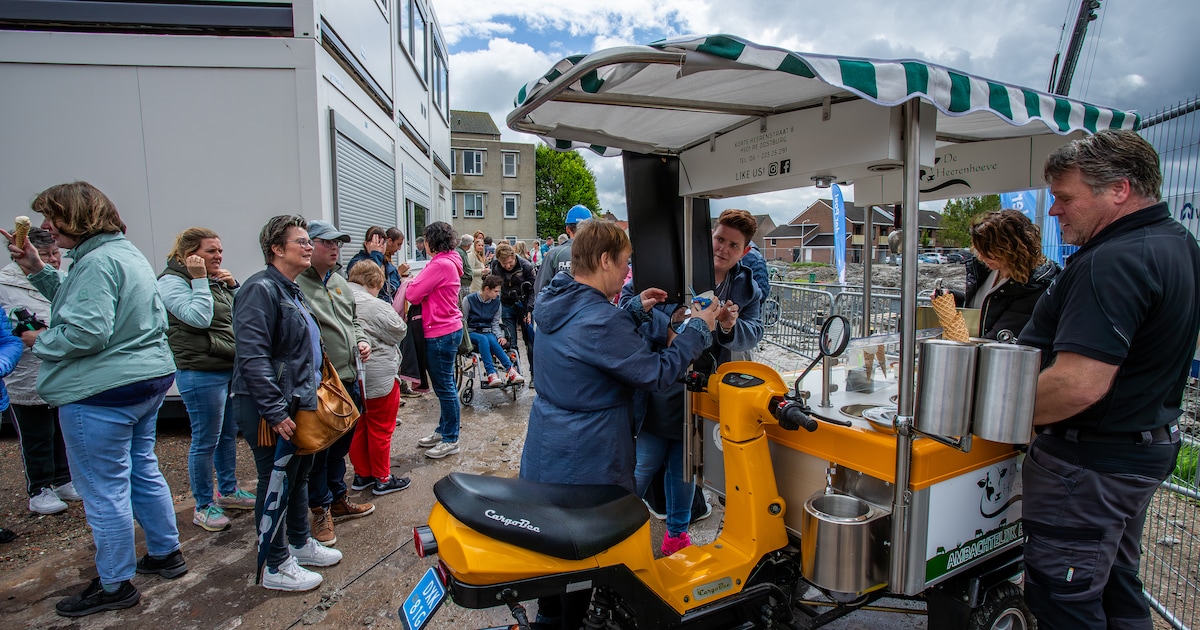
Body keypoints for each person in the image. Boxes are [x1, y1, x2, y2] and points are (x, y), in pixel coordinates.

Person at [1018, 129, 1200, 629]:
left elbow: (1079, 383)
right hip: (1135, 450)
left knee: (1064, 599)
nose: (1054, 211)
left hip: (1089, 463)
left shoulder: (1114, 260)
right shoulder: (1176, 241)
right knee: (1118, 585)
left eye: (1064, 197)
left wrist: (992, 415)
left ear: (1118, 189)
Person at [521, 219, 718, 629]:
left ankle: (549, 614)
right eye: (625, 264)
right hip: (587, 453)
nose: (628, 274)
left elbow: (584, 341)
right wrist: (698, 328)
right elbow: (657, 373)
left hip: (548, 441)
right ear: (605, 259)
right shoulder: (599, 320)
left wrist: (629, 309)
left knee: (552, 545)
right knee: (583, 556)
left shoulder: (556, 299)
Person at [3, 182, 185, 616]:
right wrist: (36, 269)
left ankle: (115, 583)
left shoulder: (96, 263)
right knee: (142, 467)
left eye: (52, 217)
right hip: (146, 381)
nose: (46, 227)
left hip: (103, 392)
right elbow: (84, 303)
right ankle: (165, 552)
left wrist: (38, 340)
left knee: (103, 490)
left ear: (77, 217)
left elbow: (86, 330)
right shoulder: (123, 252)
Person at [623, 208, 764, 555]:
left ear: (745, 251)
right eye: (719, 239)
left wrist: (729, 326)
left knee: (684, 466)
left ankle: (677, 535)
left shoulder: (747, 287)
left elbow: (755, 332)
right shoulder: (668, 268)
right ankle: (612, 530)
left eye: (733, 244)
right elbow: (629, 304)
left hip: (705, 390)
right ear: (709, 237)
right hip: (661, 383)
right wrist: (673, 323)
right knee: (642, 462)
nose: (723, 249)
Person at [230, 214, 342, 592]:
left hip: (299, 401)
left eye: (310, 241)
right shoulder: (260, 289)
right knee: (275, 481)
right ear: (277, 249)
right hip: (270, 409)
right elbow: (252, 357)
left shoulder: (289, 288)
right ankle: (275, 564)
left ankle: (298, 543)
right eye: (301, 242)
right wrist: (275, 411)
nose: (309, 246)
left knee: (298, 478)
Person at [157, 227, 255, 533]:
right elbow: (198, 317)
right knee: (205, 440)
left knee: (228, 433)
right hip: (199, 372)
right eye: (211, 250)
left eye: (220, 250)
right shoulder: (171, 283)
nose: (219, 256)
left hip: (226, 364)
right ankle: (202, 505)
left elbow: (239, 315)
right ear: (190, 255)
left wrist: (234, 286)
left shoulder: (215, 281)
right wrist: (199, 280)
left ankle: (228, 491)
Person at [297, 220, 375, 546]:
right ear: (308, 246)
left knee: (340, 447)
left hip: (348, 377)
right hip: (320, 382)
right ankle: (320, 510)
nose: (335, 248)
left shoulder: (340, 281)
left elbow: (353, 321)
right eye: (327, 242)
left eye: (338, 243)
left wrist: (361, 340)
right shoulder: (297, 285)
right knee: (320, 449)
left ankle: (338, 499)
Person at [0, 227, 80, 515]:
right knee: (36, 434)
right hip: (24, 372)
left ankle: (63, 479)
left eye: (56, 253)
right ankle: (39, 488)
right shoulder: (5, 284)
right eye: (46, 254)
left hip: (59, 369)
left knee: (61, 429)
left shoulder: (61, 279)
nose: (54, 260)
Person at [345, 261, 410, 495]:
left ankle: (362, 474)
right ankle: (382, 477)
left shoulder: (339, 296)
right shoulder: (373, 304)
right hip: (378, 372)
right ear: (373, 282)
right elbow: (399, 329)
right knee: (381, 427)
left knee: (359, 424)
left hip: (352, 374)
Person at [949, 209, 1060, 340]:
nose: (980, 257)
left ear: (1011, 248)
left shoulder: (1035, 285)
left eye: (988, 251)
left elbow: (1001, 336)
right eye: (979, 249)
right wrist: (953, 297)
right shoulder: (990, 269)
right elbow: (985, 307)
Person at [409, 222, 466, 459]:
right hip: (447, 328)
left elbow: (413, 294)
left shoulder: (440, 264)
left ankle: (451, 438)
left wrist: (412, 281)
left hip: (439, 331)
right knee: (446, 386)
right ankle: (444, 430)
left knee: (445, 388)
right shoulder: (450, 261)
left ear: (432, 241)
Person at [462, 274, 525, 387]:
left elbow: (495, 323)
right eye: (495, 291)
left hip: (487, 330)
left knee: (492, 340)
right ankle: (491, 372)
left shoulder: (496, 303)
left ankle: (511, 370)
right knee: (483, 339)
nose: (498, 294)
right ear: (487, 289)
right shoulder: (469, 300)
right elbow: (463, 321)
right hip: (471, 332)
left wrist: (500, 336)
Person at [489, 242, 537, 374]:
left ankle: (534, 373)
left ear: (513, 255)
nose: (508, 266)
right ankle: (516, 372)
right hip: (506, 305)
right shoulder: (495, 265)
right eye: (504, 264)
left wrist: (529, 309)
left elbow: (534, 290)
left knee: (530, 341)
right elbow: (493, 286)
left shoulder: (526, 266)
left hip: (524, 304)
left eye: (510, 262)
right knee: (511, 341)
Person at [535, 204, 594, 294]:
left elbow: (540, 290)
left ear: (567, 229)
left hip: (560, 307)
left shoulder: (554, 254)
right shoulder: (599, 253)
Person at [347, 226, 410, 303]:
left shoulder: (388, 266)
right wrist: (376, 254)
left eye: (382, 243)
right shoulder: (357, 263)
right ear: (366, 244)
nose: (379, 247)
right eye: (375, 243)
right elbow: (372, 281)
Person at [456, 234, 475, 302]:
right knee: (464, 303)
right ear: (469, 245)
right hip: (463, 283)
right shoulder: (460, 253)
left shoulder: (462, 252)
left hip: (465, 282)